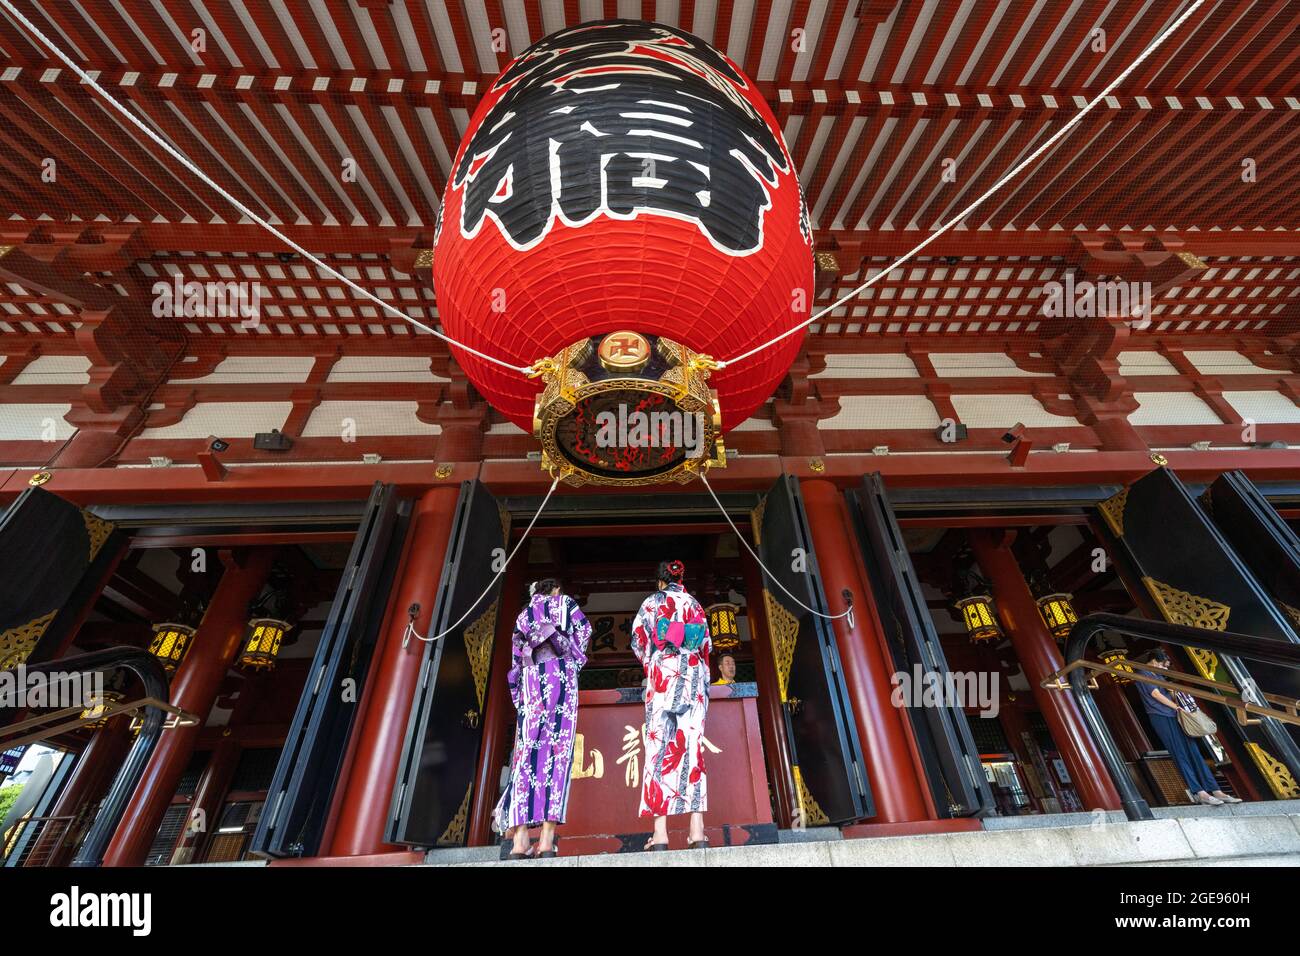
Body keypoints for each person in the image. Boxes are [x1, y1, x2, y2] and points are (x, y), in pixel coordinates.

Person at [492, 578, 592, 858]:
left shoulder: (523, 616)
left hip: (531, 681)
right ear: (555, 590)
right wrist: (569, 656)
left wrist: (520, 699)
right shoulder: (566, 604)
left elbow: (515, 661)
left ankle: (520, 841)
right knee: (558, 755)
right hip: (560, 678)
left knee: (525, 756)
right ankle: (547, 841)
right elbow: (584, 632)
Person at [630, 559, 712, 850]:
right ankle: (697, 831)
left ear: (660, 581)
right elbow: (706, 647)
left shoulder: (651, 603)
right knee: (692, 747)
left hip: (663, 674)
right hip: (691, 674)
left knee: (658, 749)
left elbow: (638, 641)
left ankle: (661, 834)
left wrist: (654, 662)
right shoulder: (695, 605)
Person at [1136, 649, 1241, 806]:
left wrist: (1176, 697)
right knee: (1180, 754)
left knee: (1194, 752)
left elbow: (1165, 693)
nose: (1164, 669)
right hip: (1161, 717)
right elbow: (1156, 695)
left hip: (1175, 715)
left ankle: (1215, 790)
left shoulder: (1157, 675)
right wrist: (1178, 708)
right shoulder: (1143, 672)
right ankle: (1199, 792)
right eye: (1162, 665)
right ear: (1153, 661)